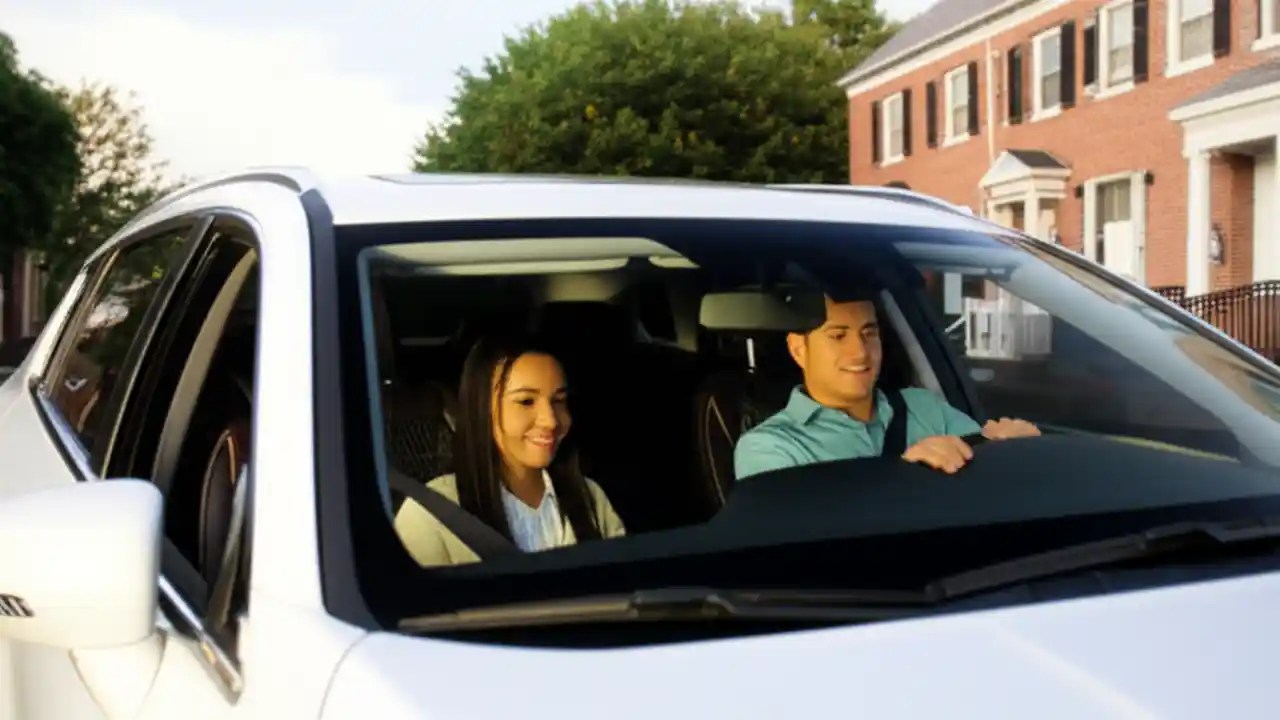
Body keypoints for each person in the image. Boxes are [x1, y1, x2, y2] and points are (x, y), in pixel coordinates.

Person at [734, 291, 1039, 480]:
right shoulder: (770, 448)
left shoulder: (924, 407)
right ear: (799, 349)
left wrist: (1013, 452)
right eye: (838, 336)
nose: (860, 352)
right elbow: (807, 546)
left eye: (869, 333)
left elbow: (985, 480)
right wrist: (907, 476)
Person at [395, 335, 626, 566]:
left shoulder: (590, 498)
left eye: (559, 400)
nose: (551, 421)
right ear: (482, 410)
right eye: (526, 401)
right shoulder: (430, 514)